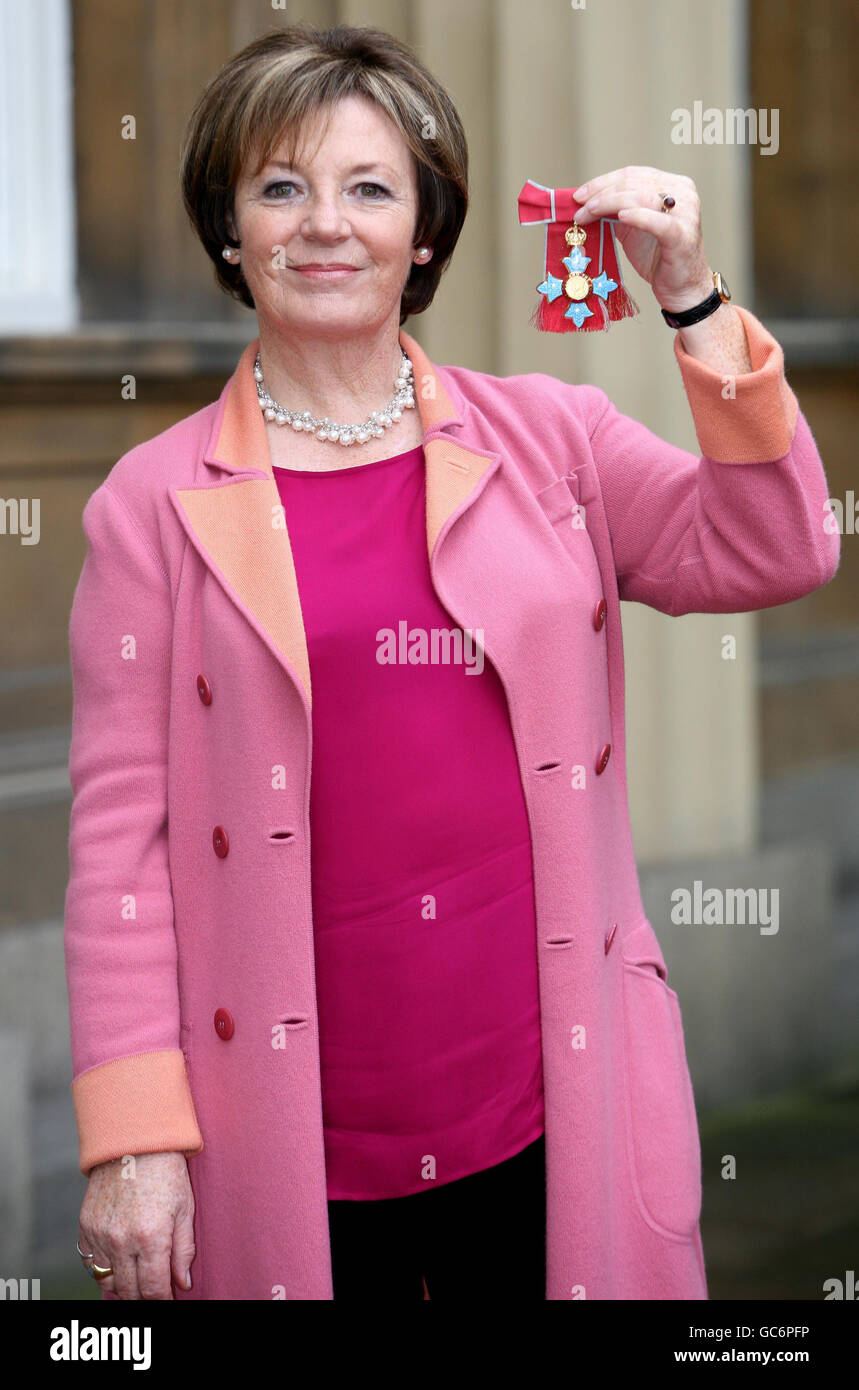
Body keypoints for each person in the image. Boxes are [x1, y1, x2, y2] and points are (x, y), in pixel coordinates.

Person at [66, 21, 840, 1301]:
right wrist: (135, 1136)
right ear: (230, 230)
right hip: (285, 1136)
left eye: (369, 187)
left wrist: (693, 301)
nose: (324, 224)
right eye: (279, 187)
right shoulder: (149, 504)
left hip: (550, 1102)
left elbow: (775, 548)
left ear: (425, 231)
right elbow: (117, 846)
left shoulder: (554, 440)